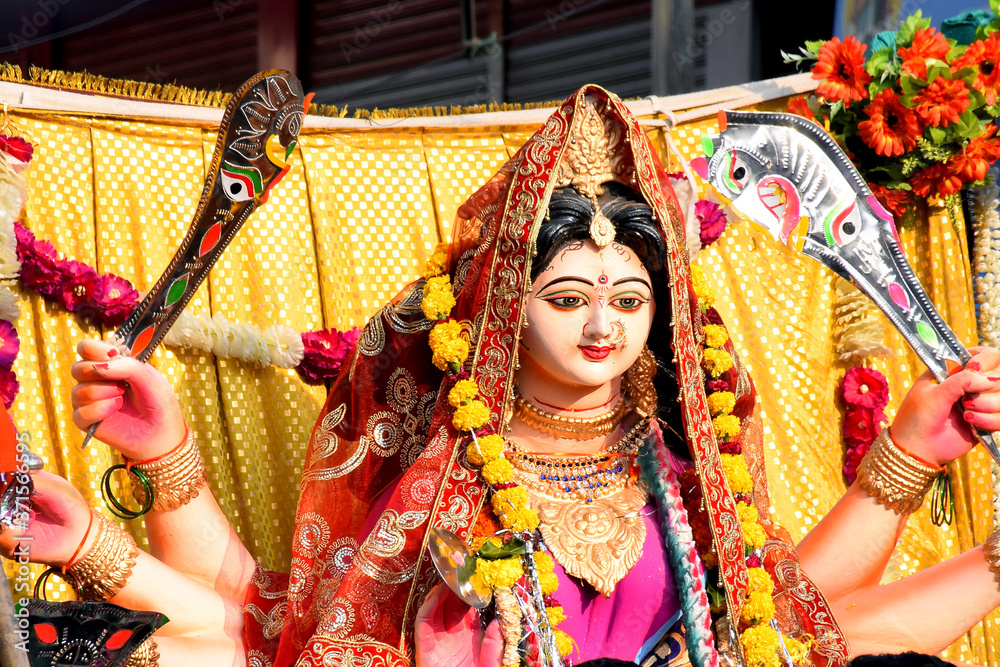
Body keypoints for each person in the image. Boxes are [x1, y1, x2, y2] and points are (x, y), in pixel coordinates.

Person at [3, 85, 1000, 667]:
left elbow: (800, 626)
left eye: (629, 298)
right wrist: (130, 500)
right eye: (566, 297)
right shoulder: (440, 485)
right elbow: (276, 635)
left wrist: (915, 453)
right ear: (500, 308)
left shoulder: (684, 472)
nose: (602, 325)